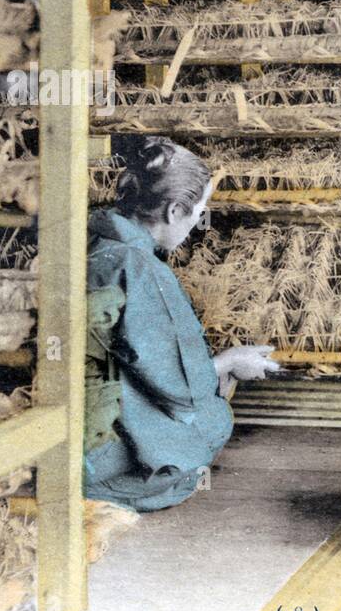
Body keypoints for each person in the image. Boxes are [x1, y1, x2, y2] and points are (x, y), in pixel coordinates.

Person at [85, 137, 279, 511]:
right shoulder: (139, 268)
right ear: (175, 211)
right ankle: (114, 487)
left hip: (70, 414)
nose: (196, 223)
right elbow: (178, 388)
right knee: (212, 419)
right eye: (199, 211)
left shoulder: (93, 240)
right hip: (96, 449)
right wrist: (228, 364)